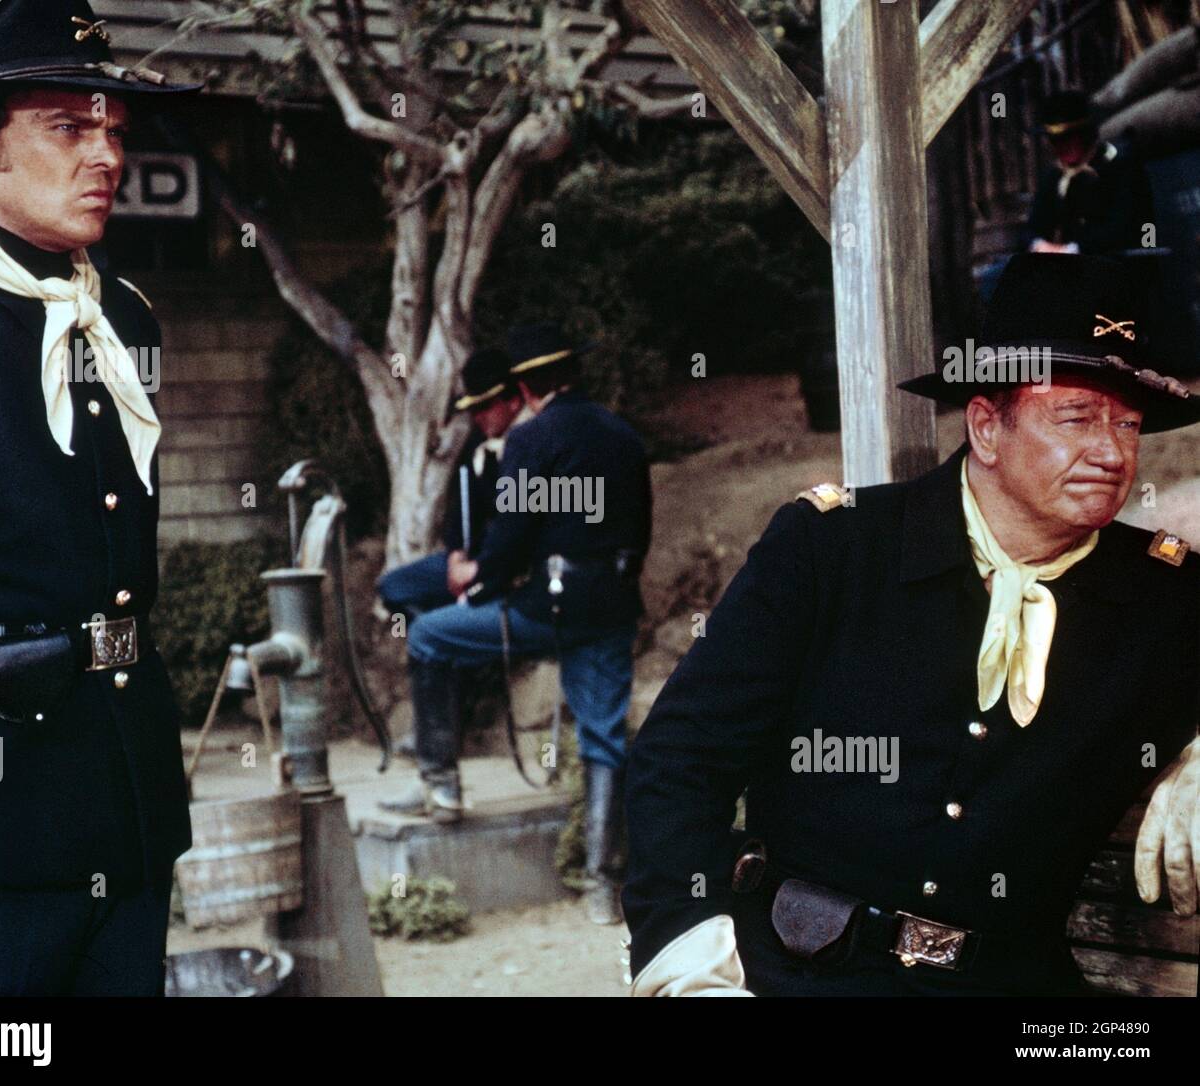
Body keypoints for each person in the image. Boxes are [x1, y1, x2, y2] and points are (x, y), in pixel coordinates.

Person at [623, 253, 1199, 995]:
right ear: (986, 428)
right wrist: (691, 968)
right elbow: (681, 762)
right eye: (1076, 417)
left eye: (1128, 424)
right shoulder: (834, 550)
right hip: (796, 974)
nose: (1112, 452)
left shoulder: (1165, 593)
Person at [0, 0, 199, 996]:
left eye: (113, 128)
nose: (106, 155)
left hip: (124, 795)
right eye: (67, 127)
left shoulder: (119, 315)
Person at [383, 322, 652, 926]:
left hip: (542, 610)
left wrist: (479, 582)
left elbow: (510, 537)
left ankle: (442, 785)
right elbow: (640, 531)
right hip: (610, 606)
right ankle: (602, 887)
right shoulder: (623, 435)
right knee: (605, 739)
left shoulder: (530, 440)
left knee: (427, 636)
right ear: (573, 373)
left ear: (526, 387)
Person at [376, 346, 528, 759]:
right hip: (470, 561)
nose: (479, 417)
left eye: (486, 407)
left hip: (505, 571)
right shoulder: (480, 441)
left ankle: (446, 705)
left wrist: (482, 569)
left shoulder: (531, 443)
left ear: (513, 400)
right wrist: (458, 554)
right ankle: (447, 686)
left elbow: (519, 530)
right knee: (396, 587)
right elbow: (461, 506)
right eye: (473, 409)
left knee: (438, 629)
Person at [1027, 89, 1154, 256]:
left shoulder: (1120, 167)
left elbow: (1123, 229)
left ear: (1086, 135)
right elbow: (1032, 228)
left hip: (1111, 263)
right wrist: (1038, 244)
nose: (1062, 146)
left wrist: (1073, 250)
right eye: (1055, 140)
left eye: (1069, 138)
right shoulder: (1054, 175)